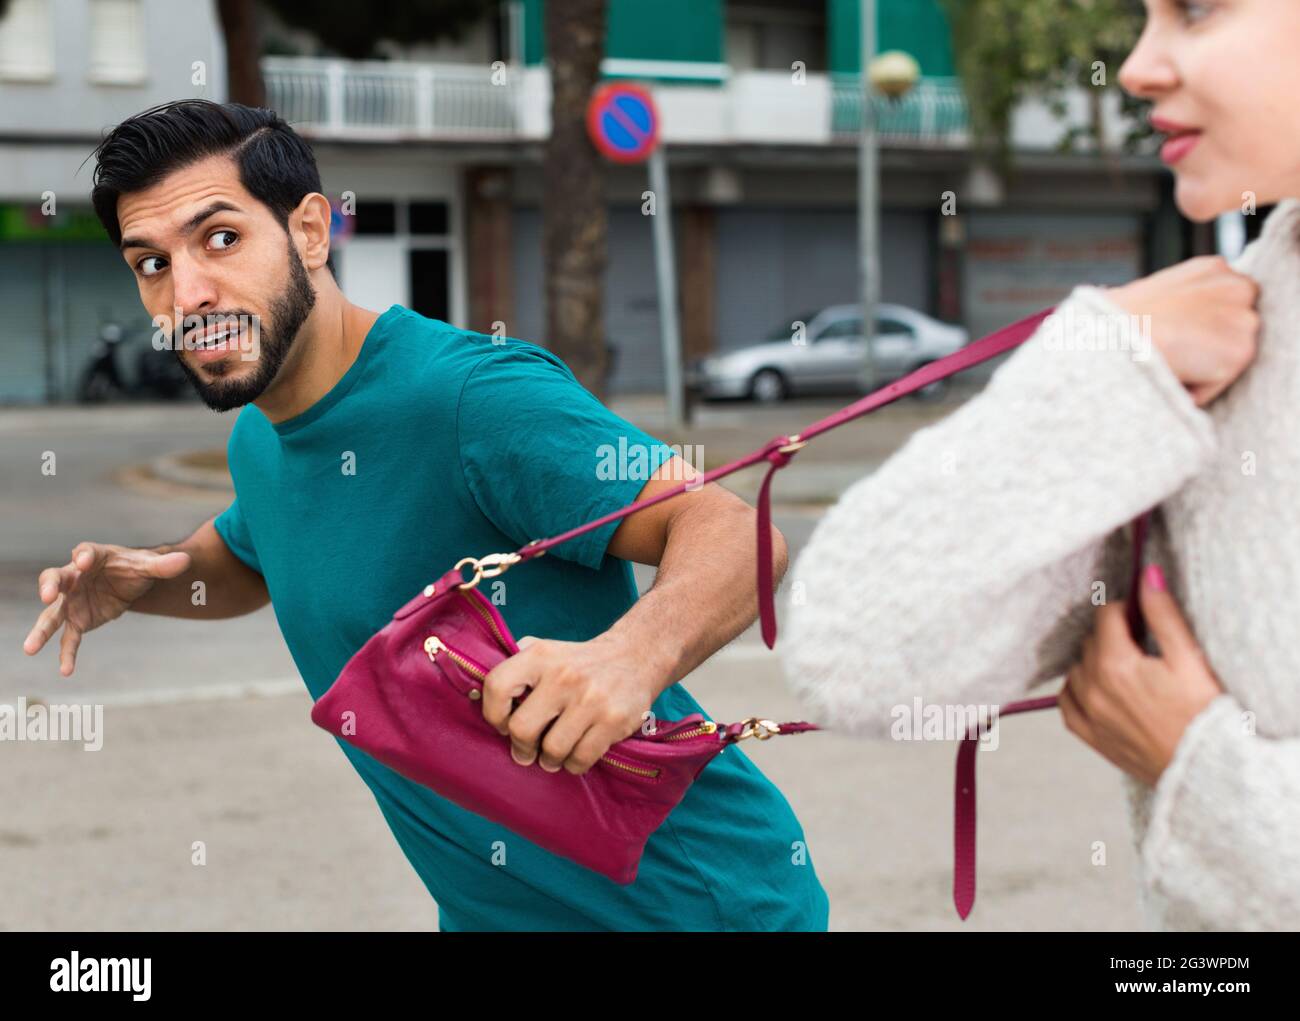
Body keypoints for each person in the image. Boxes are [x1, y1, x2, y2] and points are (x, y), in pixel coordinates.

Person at [22, 99, 829, 932]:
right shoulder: (264, 435)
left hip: (695, 907)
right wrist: (142, 580)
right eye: (150, 263)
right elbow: (251, 553)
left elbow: (735, 531)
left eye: (220, 239)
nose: (186, 293)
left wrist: (630, 658)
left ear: (307, 231)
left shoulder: (471, 398)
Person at [779, 0, 1300, 930]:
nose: (1138, 67)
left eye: (1197, 11)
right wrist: (1100, 365)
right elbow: (854, 651)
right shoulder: (1220, 335)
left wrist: (1202, 769)